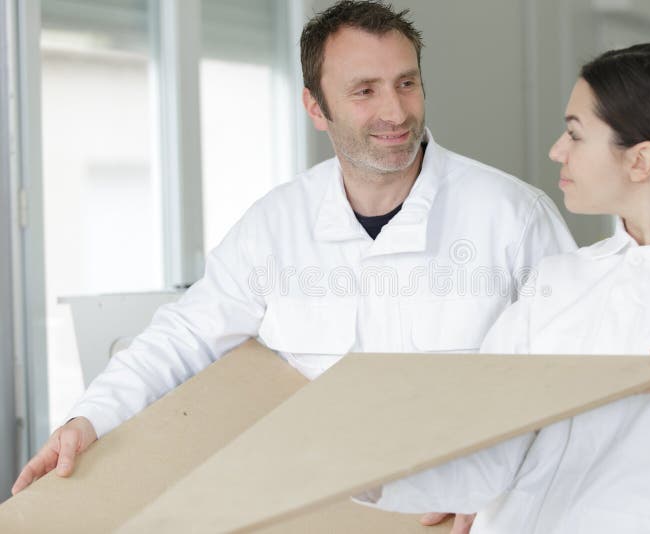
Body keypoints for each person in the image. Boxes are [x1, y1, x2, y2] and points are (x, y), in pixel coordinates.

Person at [12, 2, 575, 532]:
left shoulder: (513, 217)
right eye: (365, 90)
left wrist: (501, 486)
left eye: (407, 83)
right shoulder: (276, 225)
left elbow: (576, 377)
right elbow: (182, 336)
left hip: (474, 518)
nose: (396, 111)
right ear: (315, 107)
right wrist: (88, 419)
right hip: (321, 513)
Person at [357, 43, 650, 533]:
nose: (557, 150)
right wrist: (372, 474)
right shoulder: (559, 280)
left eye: (574, 133)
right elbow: (486, 442)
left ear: (640, 161)